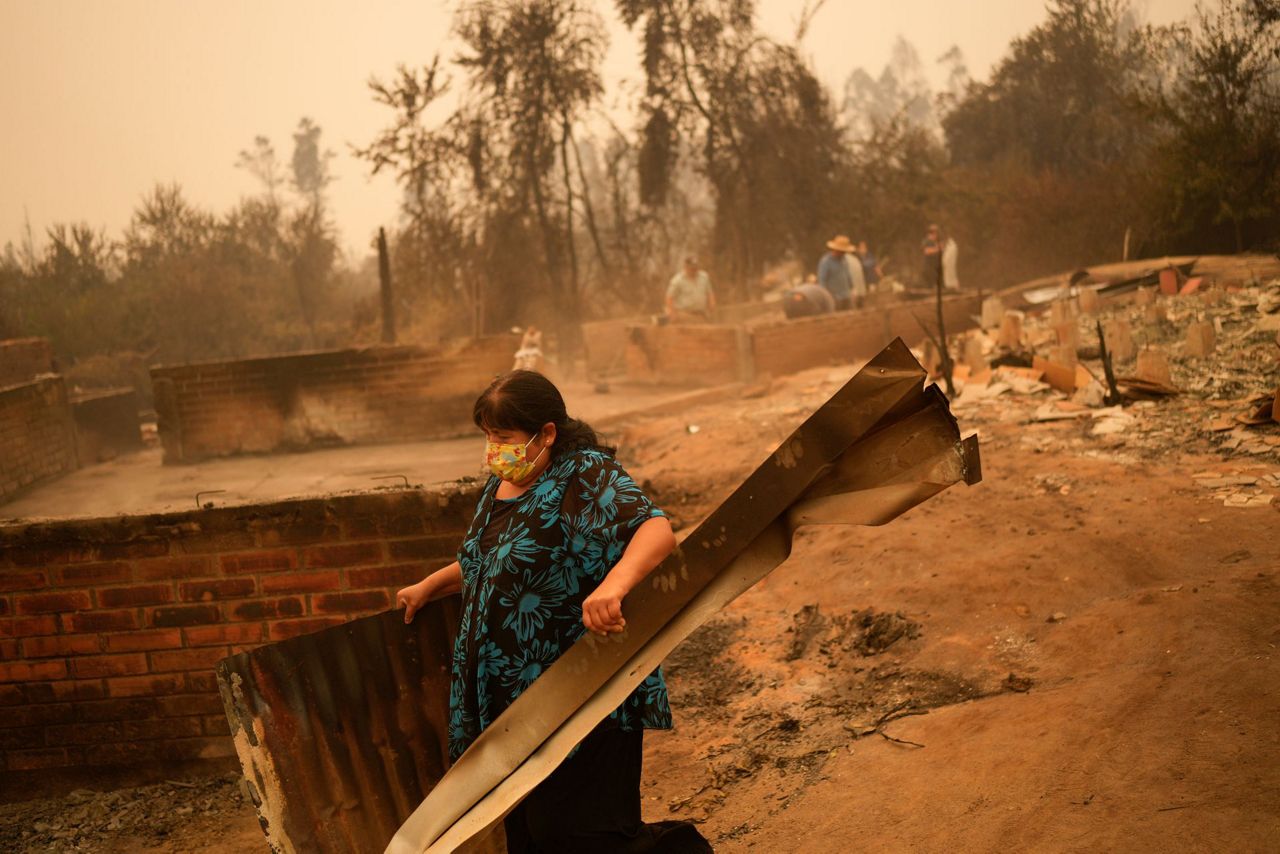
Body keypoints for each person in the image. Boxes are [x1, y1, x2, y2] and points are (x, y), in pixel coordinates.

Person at [396, 371, 712, 854]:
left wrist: (613, 586)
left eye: (503, 437)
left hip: (578, 688)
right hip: (508, 704)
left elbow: (654, 531)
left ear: (546, 433)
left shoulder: (583, 473)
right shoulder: (500, 486)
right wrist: (429, 586)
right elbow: (488, 558)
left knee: (585, 836)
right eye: (487, 436)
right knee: (531, 834)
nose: (492, 449)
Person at [665, 256, 716, 322]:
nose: (694, 270)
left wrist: (712, 304)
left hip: (701, 315)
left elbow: (710, 293)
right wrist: (672, 312)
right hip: (684, 316)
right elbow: (669, 297)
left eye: (696, 268)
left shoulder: (704, 277)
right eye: (692, 268)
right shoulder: (677, 280)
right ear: (685, 267)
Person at [818, 234, 856, 310]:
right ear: (836, 250)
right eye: (842, 251)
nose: (844, 253)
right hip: (834, 297)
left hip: (846, 296)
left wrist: (853, 289)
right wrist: (826, 297)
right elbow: (822, 280)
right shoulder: (826, 262)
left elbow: (848, 275)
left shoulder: (844, 260)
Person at [922, 224, 943, 289]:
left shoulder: (935, 241)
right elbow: (926, 251)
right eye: (935, 233)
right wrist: (938, 249)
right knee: (929, 285)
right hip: (928, 267)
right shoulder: (926, 241)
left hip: (935, 267)